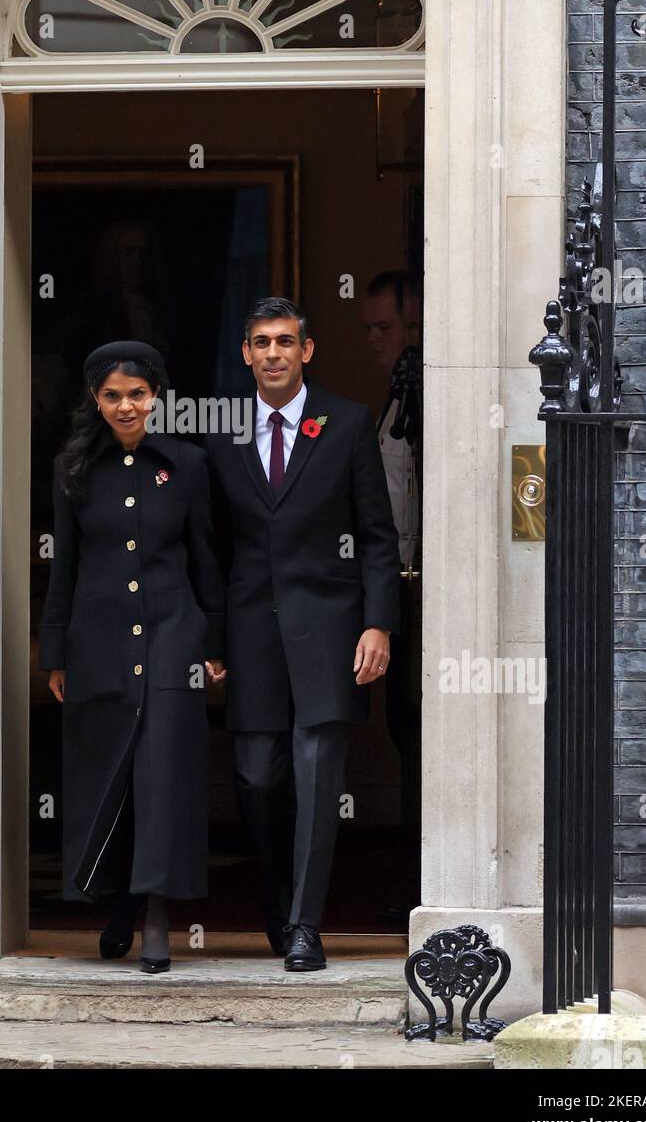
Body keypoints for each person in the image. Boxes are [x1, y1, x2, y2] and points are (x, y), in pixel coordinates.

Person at [205, 298, 401, 971]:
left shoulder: (345, 424)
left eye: (286, 341)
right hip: (250, 634)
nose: (274, 353)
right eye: (262, 342)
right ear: (246, 354)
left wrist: (378, 623)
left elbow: (378, 535)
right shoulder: (224, 434)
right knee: (257, 780)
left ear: (307, 351)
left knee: (318, 777)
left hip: (331, 631)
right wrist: (211, 641)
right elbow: (211, 548)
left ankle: (305, 927)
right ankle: (277, 905)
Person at [39, 341, 226, 973]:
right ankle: (116, 901)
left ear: (156, 398)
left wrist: (216, 643)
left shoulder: (189, 465)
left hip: (173, 632)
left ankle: (157, 917)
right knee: (107, 773)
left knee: (163, 774)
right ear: (97, 398)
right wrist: (55, 652)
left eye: (137, 395)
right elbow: (64, 566)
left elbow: (206, 558)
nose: (126, 406)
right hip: (98, 638)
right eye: (114, 395)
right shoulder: (73, 467)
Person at [362, 271, 423, 833]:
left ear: (414, 323)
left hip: (423, 586)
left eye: (384, 326)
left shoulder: (423, 392)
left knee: (415, 721)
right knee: (402, 722)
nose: (373, 339)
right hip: (400, 583)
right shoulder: (400, 391)